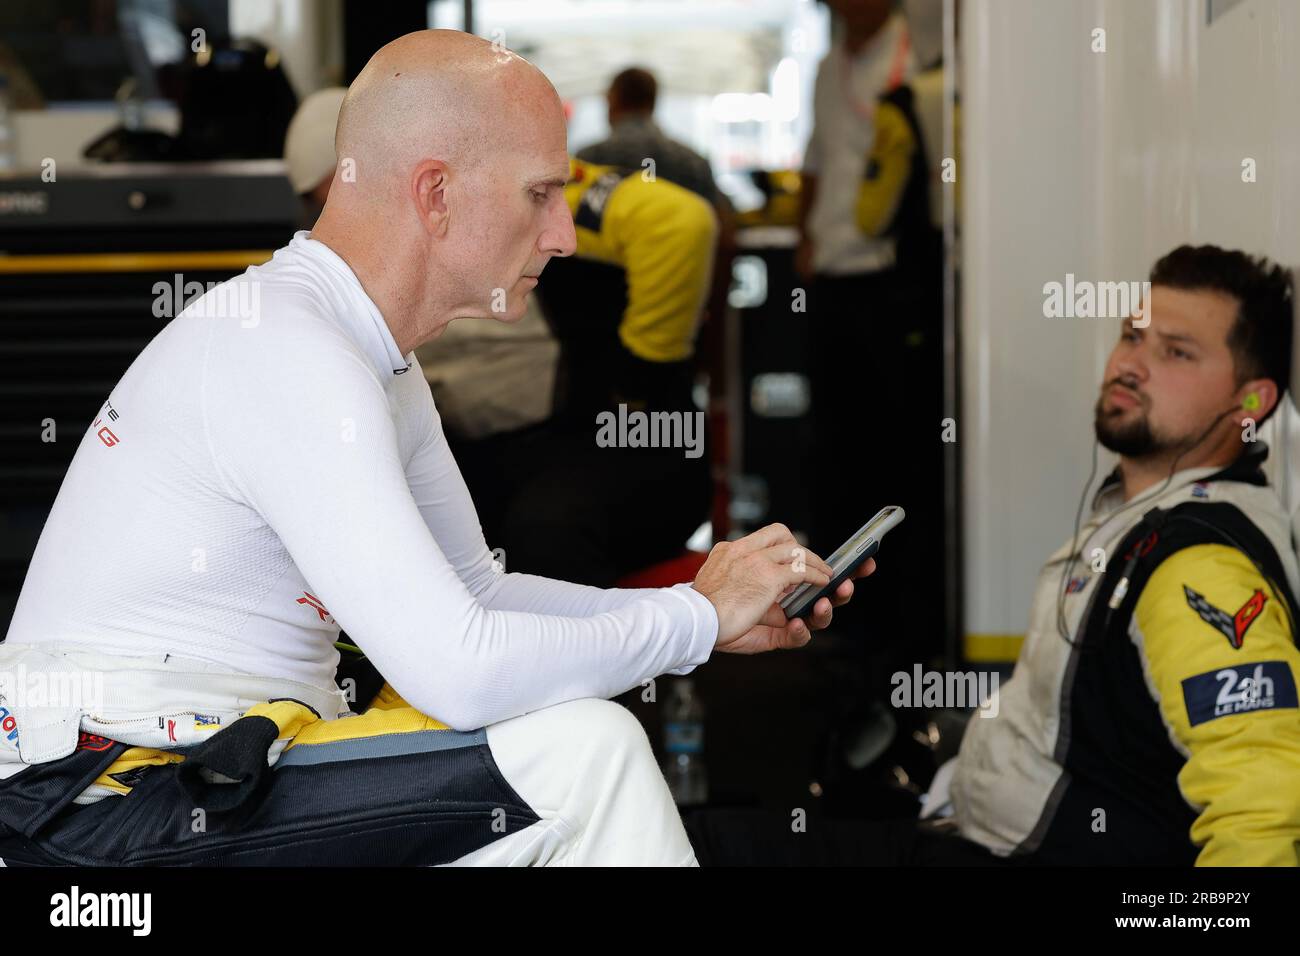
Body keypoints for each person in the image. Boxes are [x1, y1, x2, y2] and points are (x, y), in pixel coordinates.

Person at [0, 29, 876, 867]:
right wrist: (694, 620)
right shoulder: (286, 347)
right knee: (583, 757)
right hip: (92, 805)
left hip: (196, 773)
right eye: (541, 193)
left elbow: (476, 596)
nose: (566, 233)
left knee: (554, 757)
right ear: (435, 193)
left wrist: (705, 605)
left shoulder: (371, 358)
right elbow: (460, 669)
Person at [687, 245, 1300, 866]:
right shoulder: (1146, 513)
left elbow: (1263, 812)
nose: (1133, 364)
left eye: (1177, 352)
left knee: (701, 845)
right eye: (1133, 336)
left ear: (1250, 403)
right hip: (974, 821)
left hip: (1010, 852)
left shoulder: (1201, 568)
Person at [454, 157, 717, 586]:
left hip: (635, 443)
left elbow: (681, 222)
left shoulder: (529, 188)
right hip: (515, 445)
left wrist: (639, 376)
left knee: (543, 531)